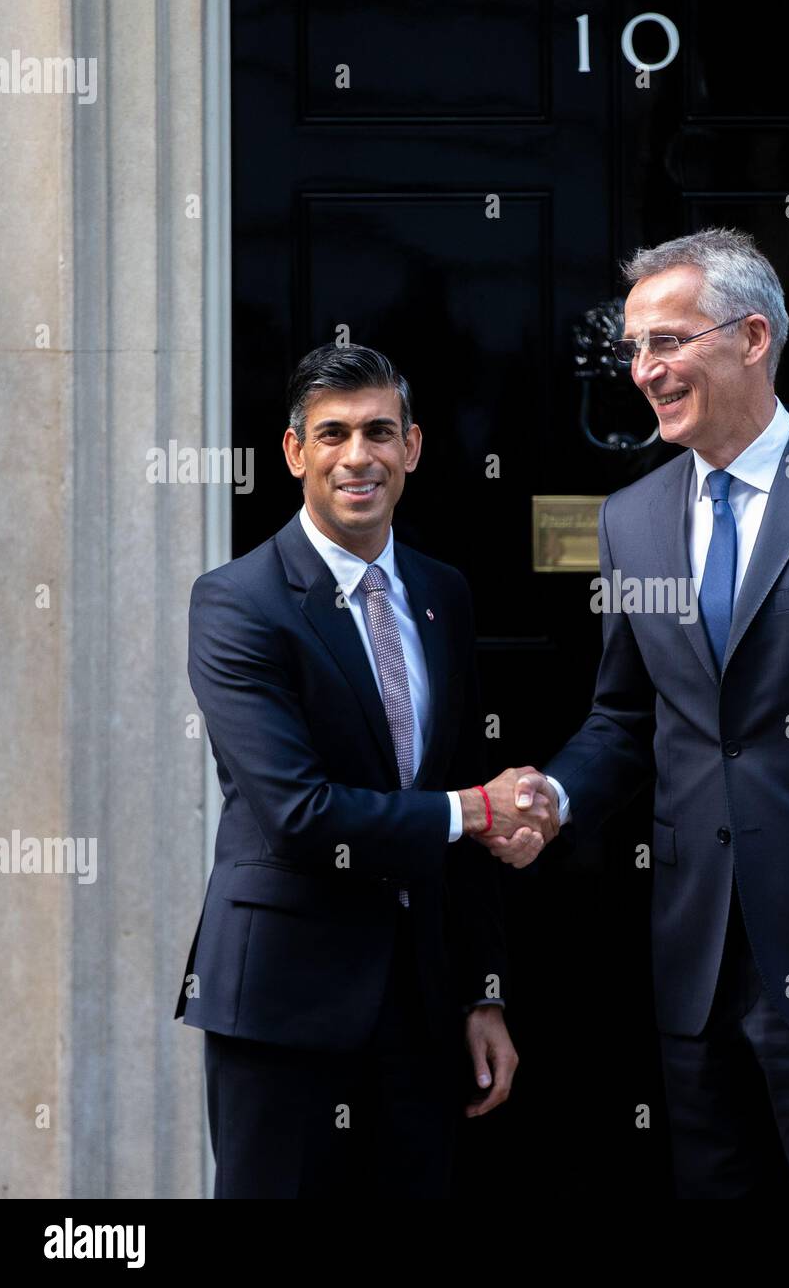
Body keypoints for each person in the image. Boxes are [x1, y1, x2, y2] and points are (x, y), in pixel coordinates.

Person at [482, 228, 789, 1198]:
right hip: (694, 966)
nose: (642, 370)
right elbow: (624, 717)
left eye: (666, 342)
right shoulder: (633, 518)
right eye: (633, 348)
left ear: (752, 337)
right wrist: (555, 793)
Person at [174, 343, 557, 1197]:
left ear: (412, 447)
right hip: (284, 1003)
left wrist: (482, 994)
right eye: (333, 433)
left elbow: (457, 795)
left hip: (422, 1007)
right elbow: (298, 813)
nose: (359, 456)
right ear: (294, 452)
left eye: (380, 432)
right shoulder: (237, 601)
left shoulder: (443, 591)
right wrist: (476, 809)